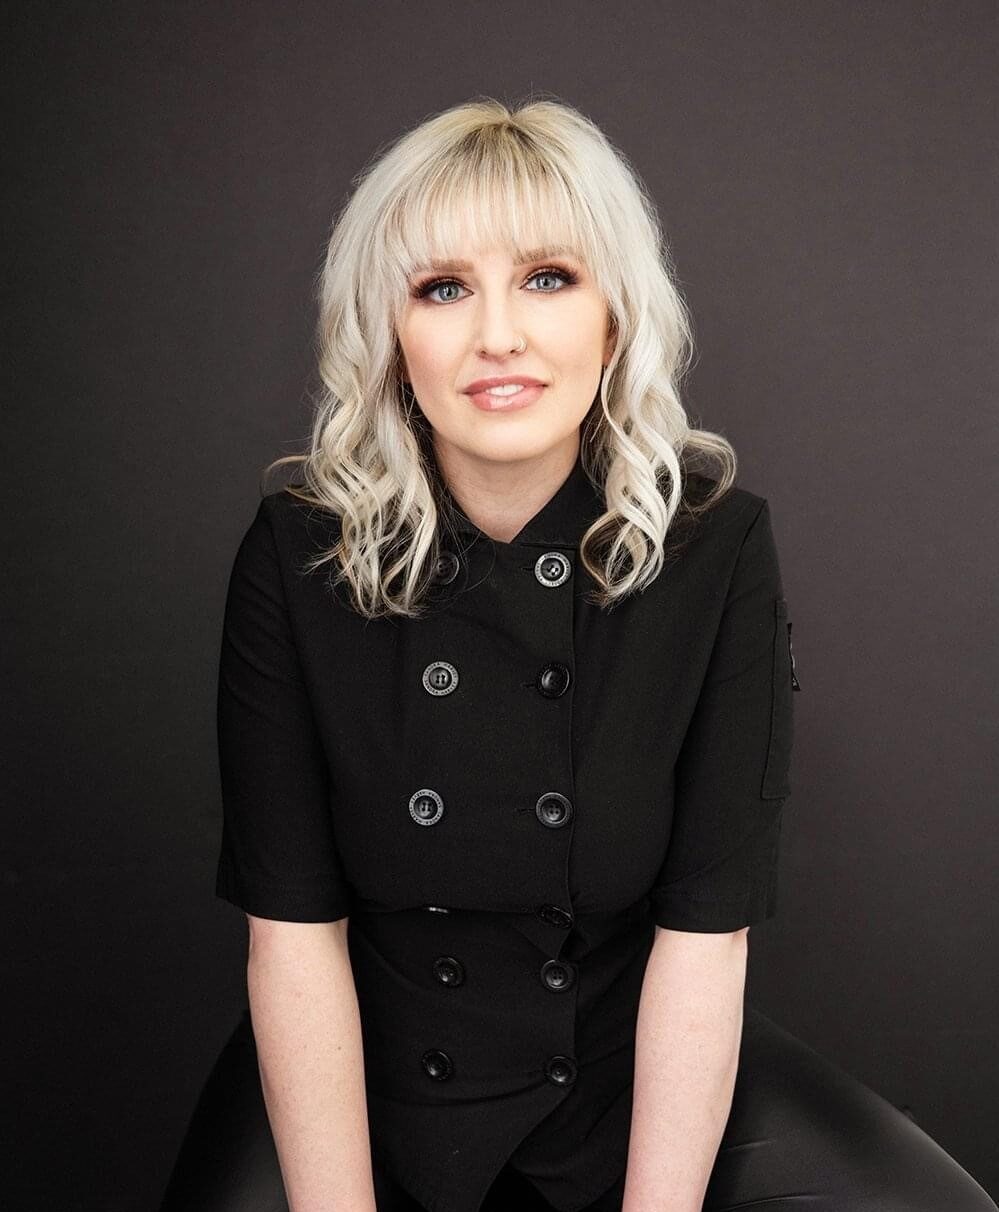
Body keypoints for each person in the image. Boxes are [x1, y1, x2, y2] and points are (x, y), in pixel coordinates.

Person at [160, 97, 998, 1212]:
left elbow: (705, 939)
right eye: (442, 288)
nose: (497, 335)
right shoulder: (299, 555)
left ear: (614, 320)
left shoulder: (712, 551)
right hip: (362, 1067)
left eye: (547, 278)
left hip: (624, 1064)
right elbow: (292, 938)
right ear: (391, 337)